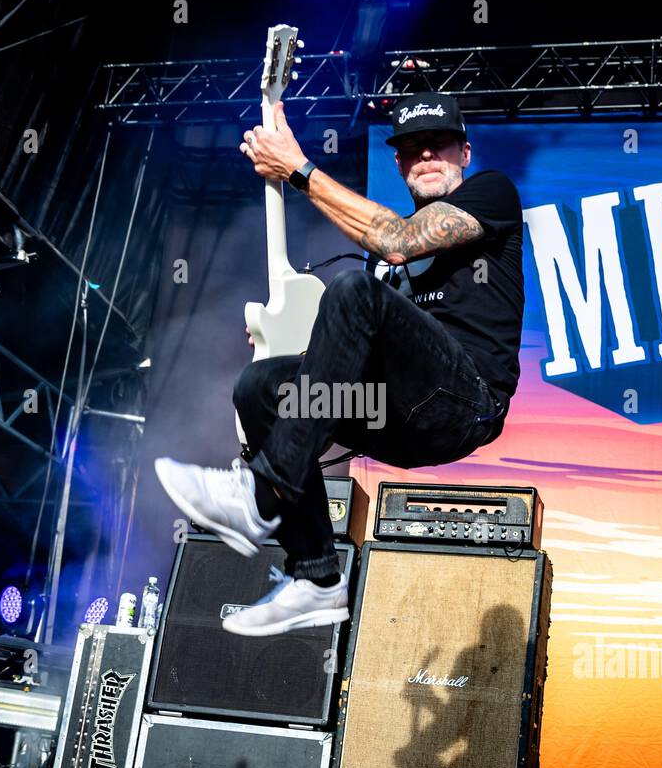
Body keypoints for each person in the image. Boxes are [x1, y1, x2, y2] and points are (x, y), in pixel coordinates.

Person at [155, 92, 524, 636]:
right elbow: (348, 340)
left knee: (353, 290)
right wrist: (284, 346)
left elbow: (397, 240)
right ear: (398, 162)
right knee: (264, 384)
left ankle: (258, 496)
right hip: (396, 416)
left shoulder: (491, 194)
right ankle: (317, 578)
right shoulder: (387, 274)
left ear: (464, 153)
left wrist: (300, 169)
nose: (425, 156)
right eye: (412, 149)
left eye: (438, 146)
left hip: (464, 404)